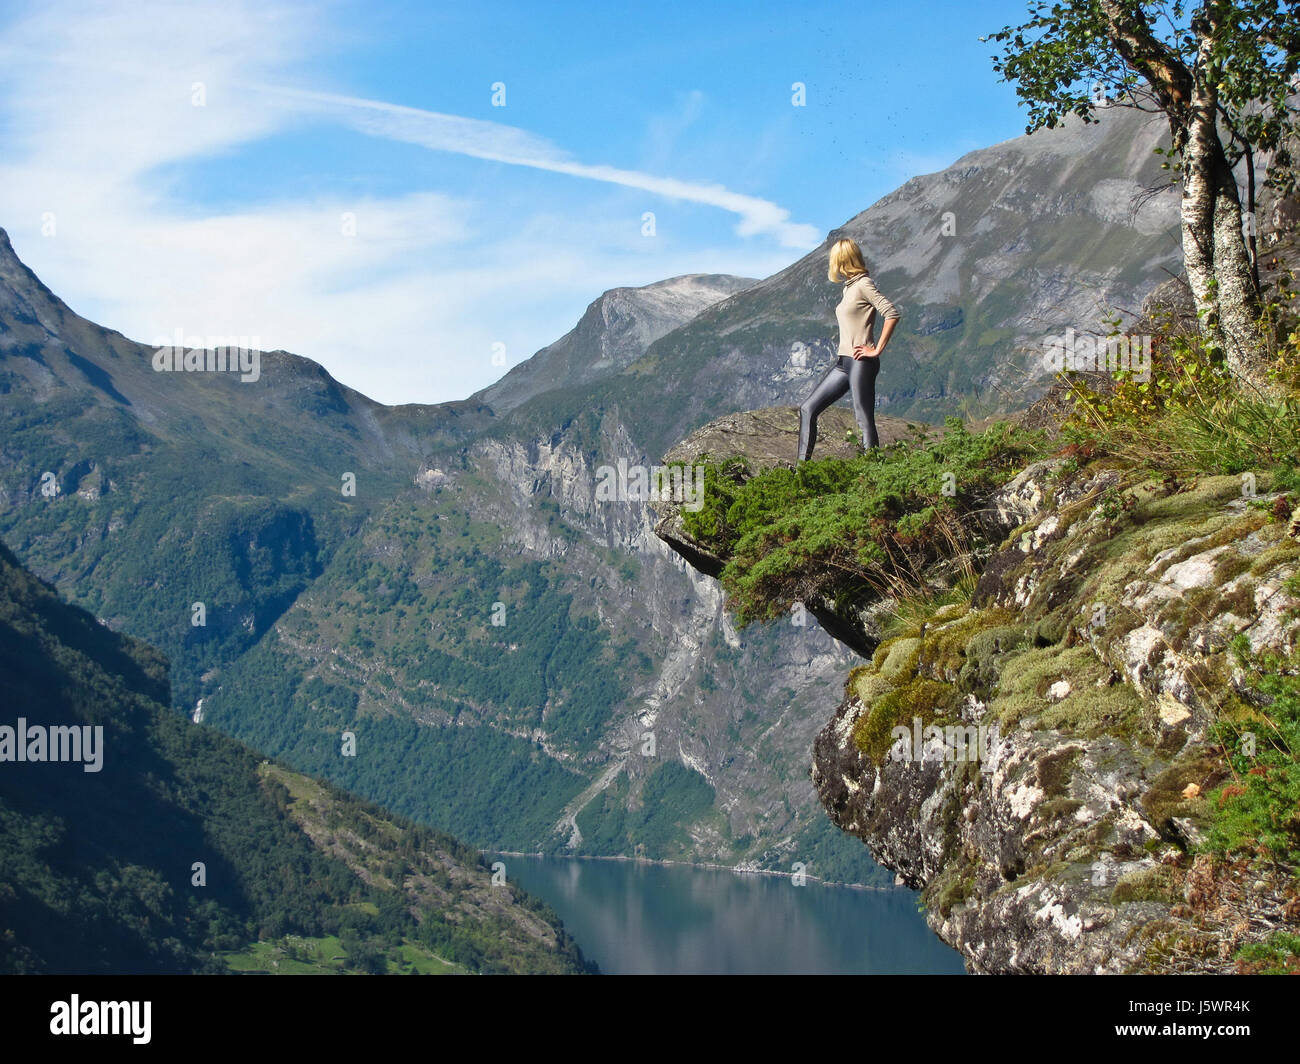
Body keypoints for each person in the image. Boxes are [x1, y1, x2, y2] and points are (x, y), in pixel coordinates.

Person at [797, 237, 901, 462]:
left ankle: (873, 473)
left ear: (841, 260)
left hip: (861, 362)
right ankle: (801, 474)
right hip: (844, 363)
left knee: (863, 420)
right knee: (807, 409)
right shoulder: (850, 287)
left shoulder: (864, 284)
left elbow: (891, 313)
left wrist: (876, 350)